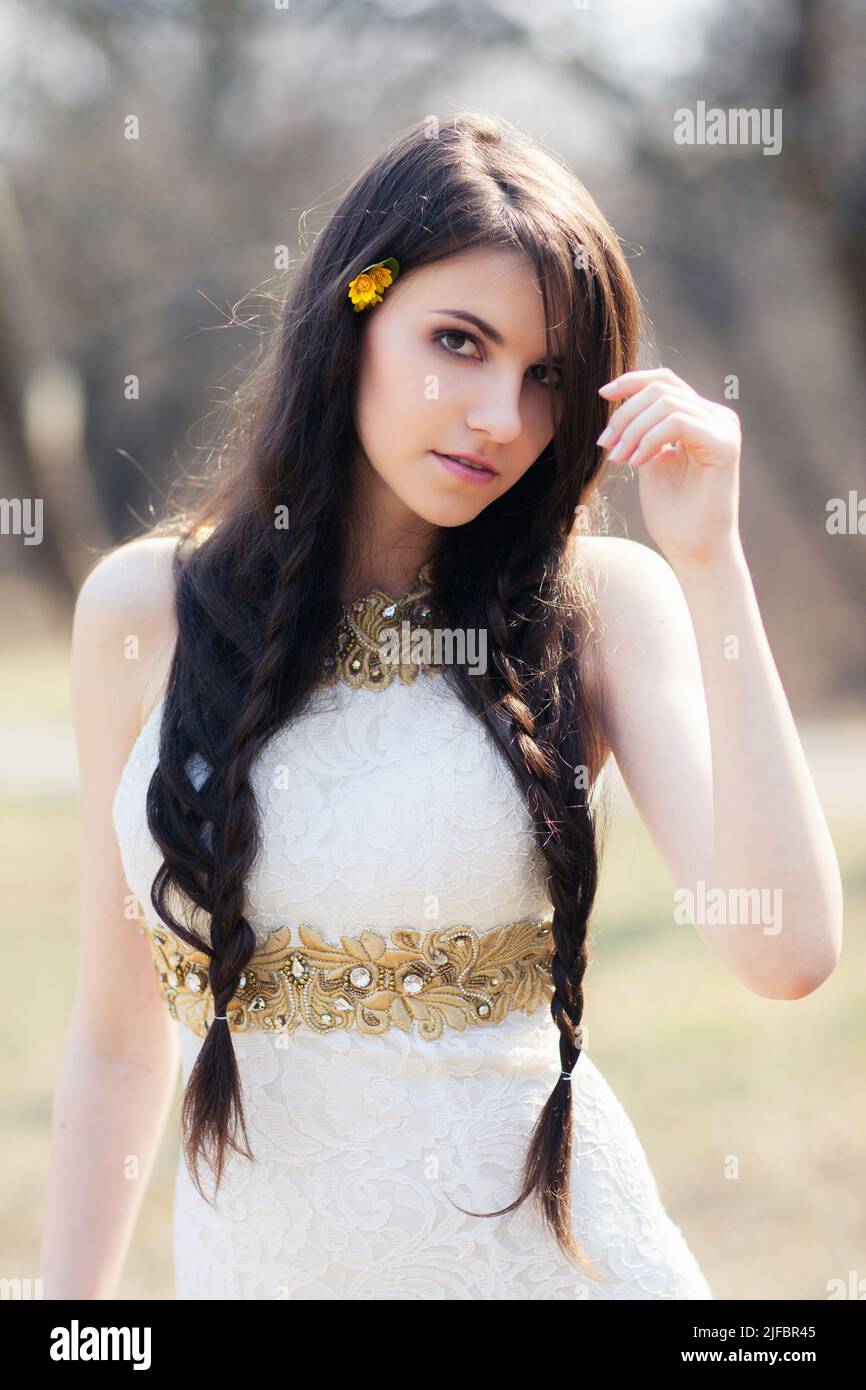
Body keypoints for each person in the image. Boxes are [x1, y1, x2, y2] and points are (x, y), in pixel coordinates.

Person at [41, 108, 842, 1300]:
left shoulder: (600, 605)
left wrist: (712, 563)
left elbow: (783, 951)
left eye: (545, 380)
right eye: (458, 341)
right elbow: (117, 1035)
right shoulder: (142, 611)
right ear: (352, 316)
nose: (498, 419)